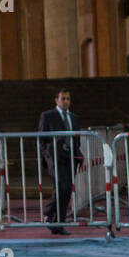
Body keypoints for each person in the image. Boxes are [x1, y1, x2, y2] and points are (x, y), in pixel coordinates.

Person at [37, 89, 83, 235]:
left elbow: (77, 140)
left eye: (68, 99)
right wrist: (47, 155)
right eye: (63, 99)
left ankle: (59, 223)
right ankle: (49, 212)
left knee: (67, 189)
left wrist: (78, 155)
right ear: (56, 100)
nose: (66, 102)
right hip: (55, 158)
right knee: (62, 186)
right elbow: (41, 138)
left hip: (70, 158)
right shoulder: (47, 116)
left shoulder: (74, 118)